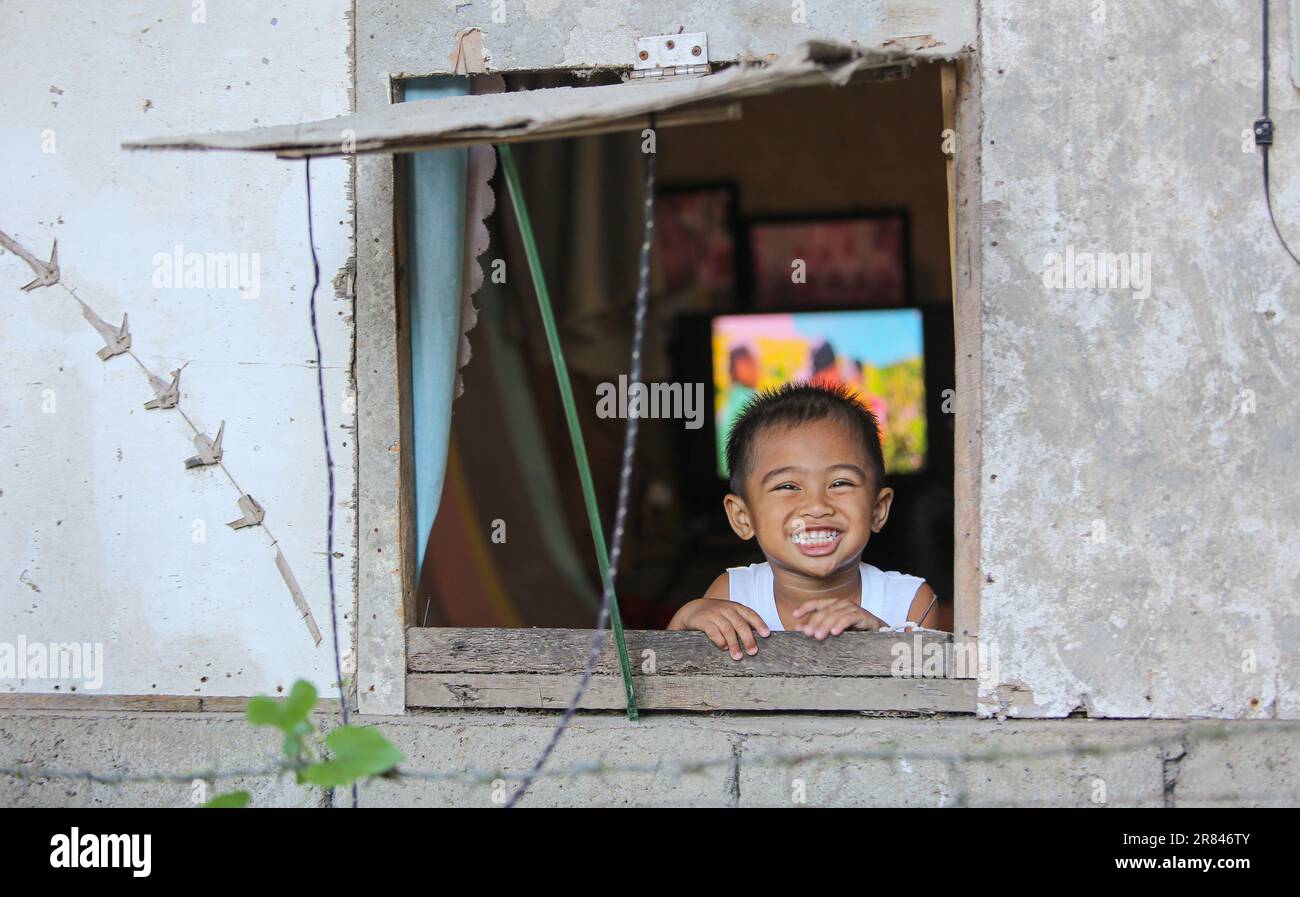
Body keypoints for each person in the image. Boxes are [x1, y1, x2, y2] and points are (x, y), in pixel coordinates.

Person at [668, 382, 939, 659]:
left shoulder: (909, 602)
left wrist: (881, 639)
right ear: (742, 517)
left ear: (878, 509)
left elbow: (924, 693)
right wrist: (686, 617)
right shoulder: (732, 593)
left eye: (840, 483)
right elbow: (672, 679)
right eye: (787, 487)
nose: (817, 506)